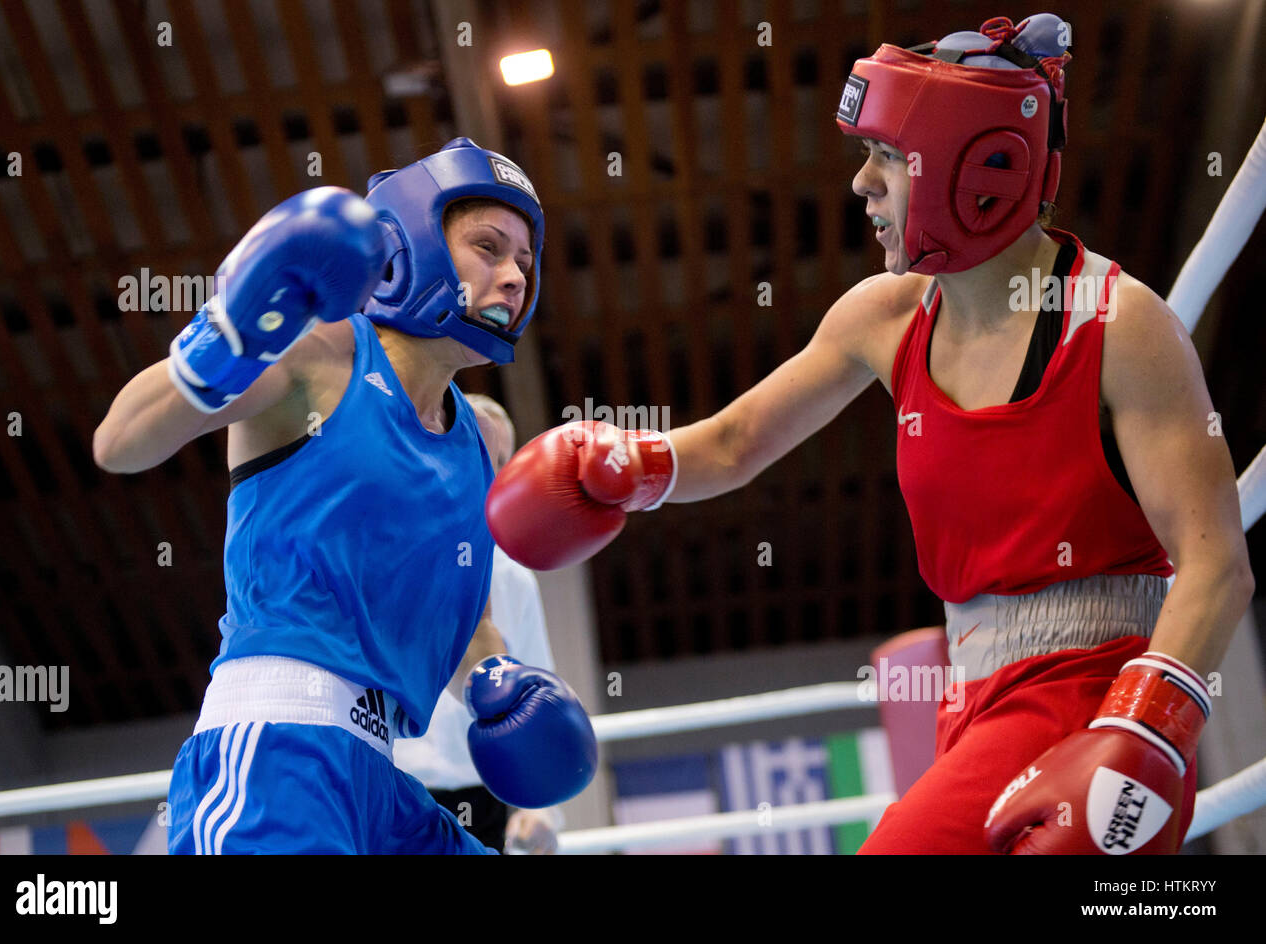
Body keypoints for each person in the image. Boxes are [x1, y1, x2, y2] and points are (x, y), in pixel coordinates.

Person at [484, 15, 1255, 854]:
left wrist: (1144, 730)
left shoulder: (1119, 325)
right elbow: (736, 442)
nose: (862, 185)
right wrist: (623, 464)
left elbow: (1216, 562)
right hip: (973, 697)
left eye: (887, 155)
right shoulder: (885, 316)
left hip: (1096, 693)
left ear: (978, 165)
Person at [92, 137, 596, 854]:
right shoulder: (321, 354)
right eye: (489, 246)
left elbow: (467, 622)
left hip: (383, 778)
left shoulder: (474, 452)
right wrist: (228, 332)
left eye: (525, 259)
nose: (515, 276)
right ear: (414, 243)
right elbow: (121, 441)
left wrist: (500, 681)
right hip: (275, 750)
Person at [391, 394, 563, 854]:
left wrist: (539, 806)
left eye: (497, 459)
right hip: (393, 787)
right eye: (473, 449)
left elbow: (538, 687)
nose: (482, 469)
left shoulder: (512, 578)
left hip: (485, 794)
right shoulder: (385, 555)